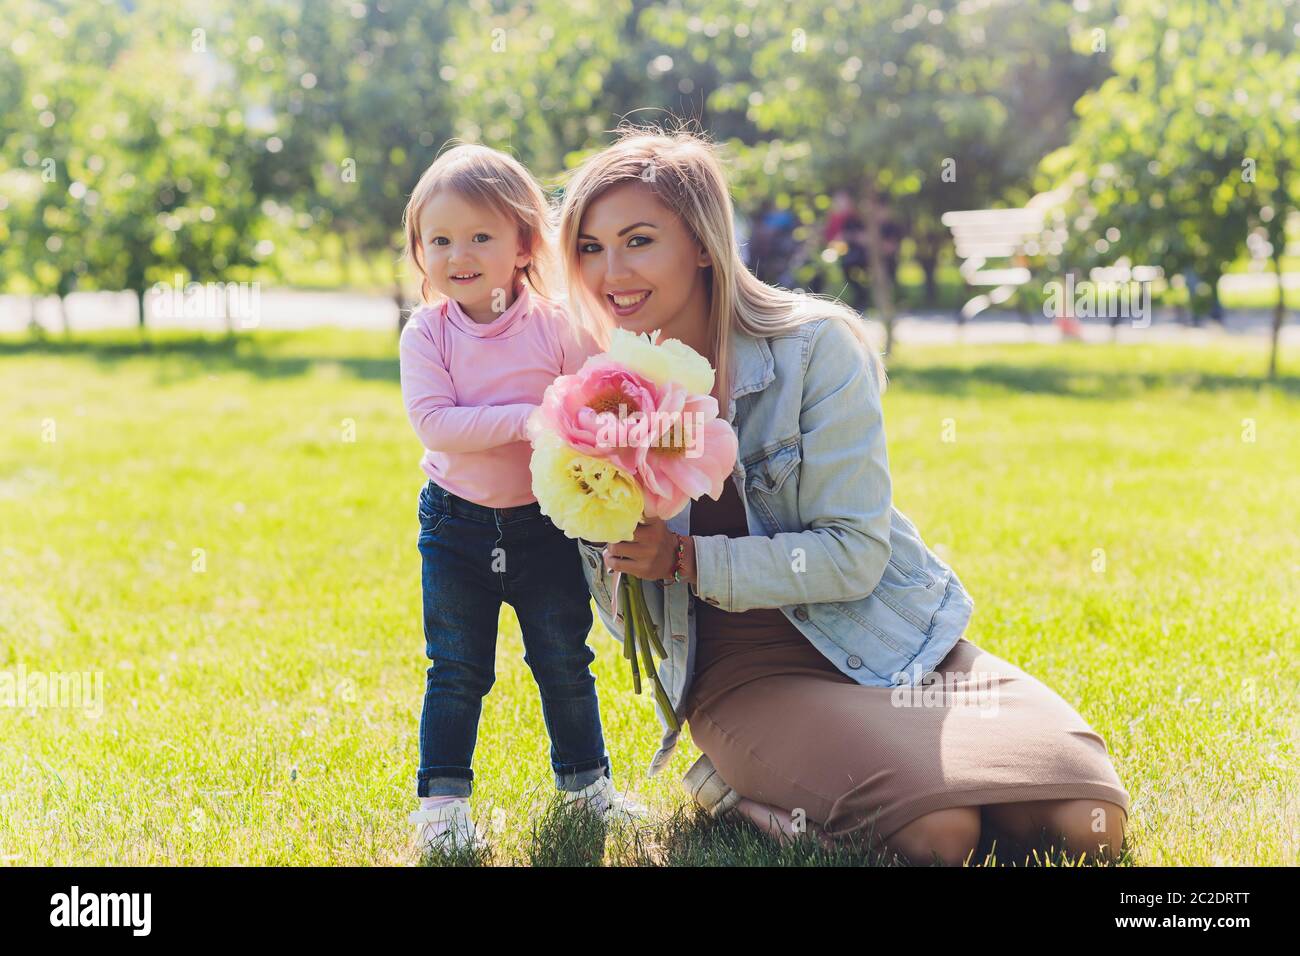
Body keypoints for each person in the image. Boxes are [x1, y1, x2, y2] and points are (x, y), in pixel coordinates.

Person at [555, 125, 1130, 865]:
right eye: (591, 248)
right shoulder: (593, 393)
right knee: (939, 838)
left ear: (702, 243)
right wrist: (618, 532)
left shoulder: (815, 349)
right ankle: (738, 797)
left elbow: (856, 554)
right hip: (748, 673)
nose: (611, 273)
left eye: (637, 241)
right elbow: (615, 601)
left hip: (885, 637)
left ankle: (885, 770)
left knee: (1087, 823)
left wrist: (688, 558)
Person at [397, 143, 629, 855]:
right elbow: (435, 423)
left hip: (543, 525)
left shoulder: (559, 328)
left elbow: (587, 421)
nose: (457, 254)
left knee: (563, 658)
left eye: (479, 236)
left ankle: (590, 790)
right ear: (419, 250)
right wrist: (528, 418)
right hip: (456, 524)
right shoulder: (427, 332)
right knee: (457, 665)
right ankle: (442, 806)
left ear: (524, 243)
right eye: (439, 240)